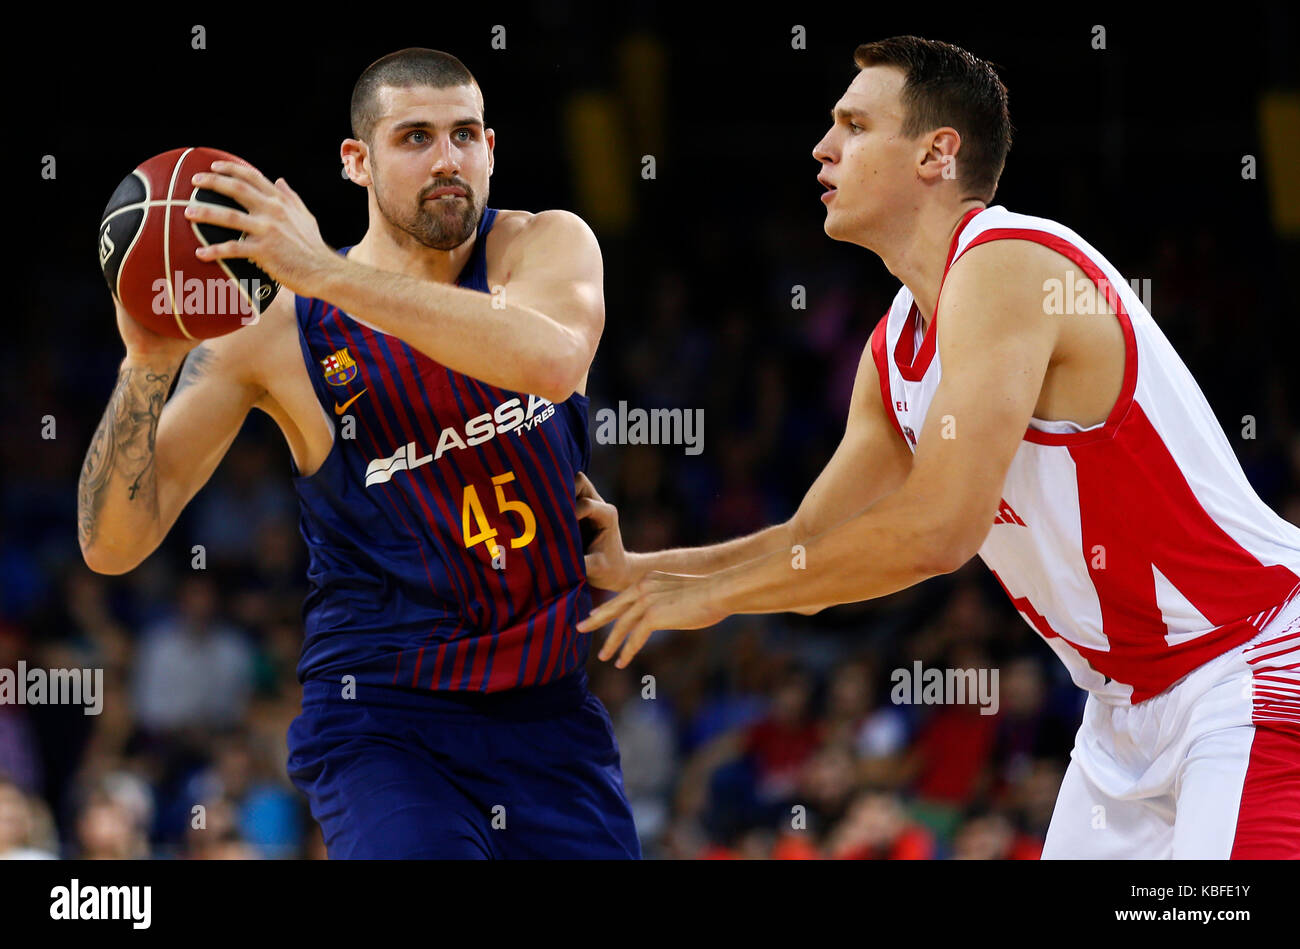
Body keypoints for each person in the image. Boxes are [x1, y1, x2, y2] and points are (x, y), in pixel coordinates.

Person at [575, 36, 1300, 858]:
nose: (823, 147)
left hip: (1252, 659)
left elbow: (937, 533)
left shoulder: (1008, 263)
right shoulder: (894, 348)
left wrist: (714, 598)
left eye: (853, 123)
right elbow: (808, 552)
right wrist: (648, 571)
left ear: (936, 151)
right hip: (1122, 711)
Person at [78, 47, 639, 858]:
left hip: (549, 710)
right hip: (383, 716)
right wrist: (146, 367)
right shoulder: (276, 330)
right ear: (357, 162)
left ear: (491, 148)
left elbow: (548, 361)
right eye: (414, 137)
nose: (447, 159)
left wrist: (321, 274)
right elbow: (111, 543)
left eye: (464, 135)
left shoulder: (542, 246)